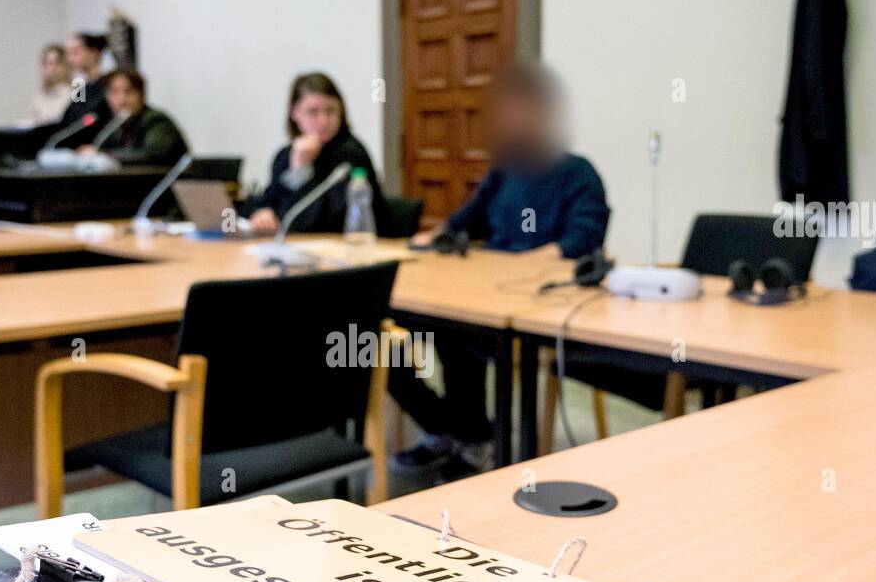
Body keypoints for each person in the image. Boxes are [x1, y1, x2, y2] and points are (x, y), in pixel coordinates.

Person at [391, 61, 611, 479]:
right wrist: (429, 237)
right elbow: (465, 220)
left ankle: (472, 440)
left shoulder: (579, 175)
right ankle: (447, 428)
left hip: (534, 305)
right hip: (479, 290)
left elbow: (578, 246)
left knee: (454, 329)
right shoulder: (505, 170)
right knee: (376, 327)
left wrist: (510, 267)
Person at [249, 72, 394, 236]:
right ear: (295, 113)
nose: (324, 121)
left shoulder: (351, 155)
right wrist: (263, 213)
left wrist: (302, 171)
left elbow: (314, 223)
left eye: (331, 111)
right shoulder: (286, 155)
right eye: (313, 112)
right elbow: (269, 199)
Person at [77, 69, 188, 166]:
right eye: (115, 92)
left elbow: (152, 155)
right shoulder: (113, 125)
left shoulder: (156, 121)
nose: (122, 99)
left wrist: (104, 155)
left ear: (141, 94)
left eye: (128, 91)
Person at [59, 32, 111, 137]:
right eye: (68, 54)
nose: (70, 59)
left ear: (94, 53)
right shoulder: (82, 88)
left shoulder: (108, 86)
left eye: (75, 52)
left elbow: (93, 120)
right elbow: (67, 120)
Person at [28, 44, 72, 126]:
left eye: (54, 63)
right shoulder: (39, 97)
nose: (50, 69)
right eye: (45, 63)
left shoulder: (74, 96)